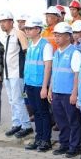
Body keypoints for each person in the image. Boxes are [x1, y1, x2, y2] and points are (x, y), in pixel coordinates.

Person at [48, 22, 81, 157]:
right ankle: (64, 144)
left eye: (59, 35)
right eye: (55, 35)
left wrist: (75, 93)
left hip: (68, 93)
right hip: (57, 92)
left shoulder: (74, 53)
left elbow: (77, 74)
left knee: (73, 121)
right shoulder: (56, 53)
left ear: (68, 37)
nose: (56, 38)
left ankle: (75, 146)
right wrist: (51, 89)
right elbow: (54, 72)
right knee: (61, 121)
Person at [22, 16, 54, 151]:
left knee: (43, 112)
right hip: (29, 84)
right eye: (26, 29)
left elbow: (48, 67)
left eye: (30, 29)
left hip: (40, 85)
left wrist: (44, 87)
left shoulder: (45, 45)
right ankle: (38, 138)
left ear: (37, 29)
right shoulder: (30, 45)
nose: (27, 31)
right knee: (36, 112)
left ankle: (46, 140)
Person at [0, 11, 31, 139]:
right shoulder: (6, 36)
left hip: (17, 73)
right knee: (12, 101)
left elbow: (26, 51)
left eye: (5, 21)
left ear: (11, 22)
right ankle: (16, 123)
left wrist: (25, 73)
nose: (2, 24)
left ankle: (26, 125)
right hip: (8, 73)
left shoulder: (19, 34)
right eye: (1, 22)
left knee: (18, 100)